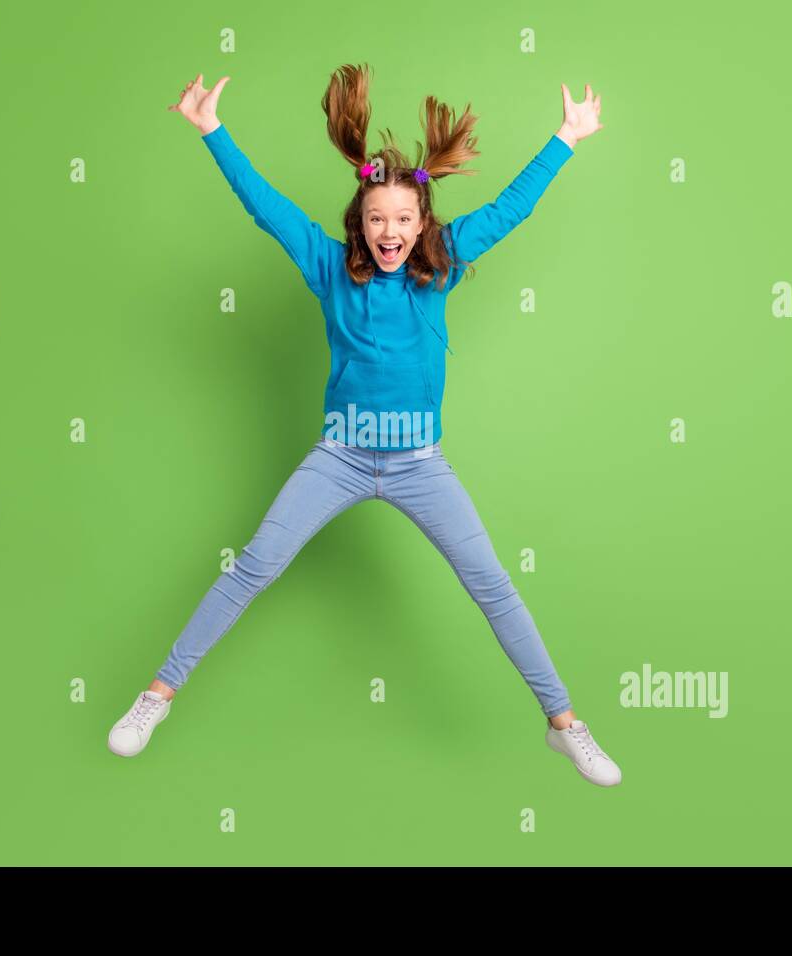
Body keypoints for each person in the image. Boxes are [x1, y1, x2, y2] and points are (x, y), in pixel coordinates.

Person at [109, 64, 620, 787]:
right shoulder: (327, 266)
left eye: (404, 221)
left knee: (493, 585)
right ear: (360, 222)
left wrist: (566, 138)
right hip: (340, 458)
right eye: (378, 219)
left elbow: (508, 210)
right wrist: (211, 130)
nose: (391, 232)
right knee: (255, 564)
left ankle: (566, 726)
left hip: (419, 465)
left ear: (422, 226)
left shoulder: (439, 269)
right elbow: (267, 206)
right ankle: (154, 697)